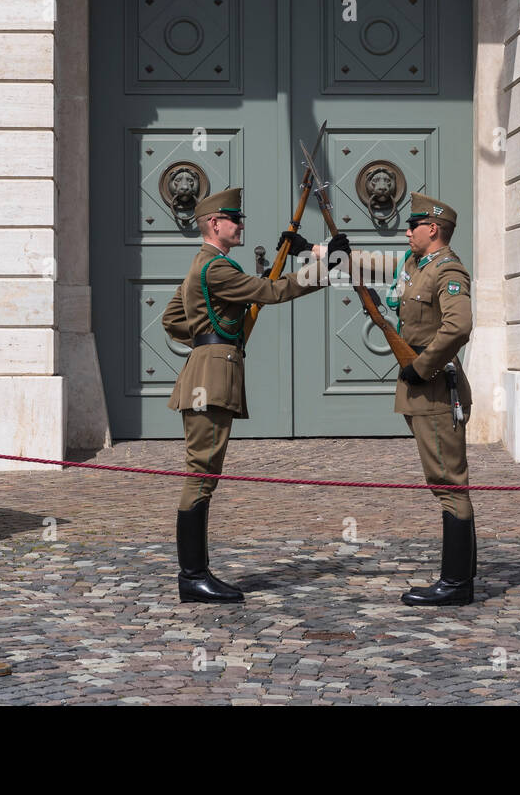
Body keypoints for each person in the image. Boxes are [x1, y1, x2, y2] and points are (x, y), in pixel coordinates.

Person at [162, 187, 348, 603]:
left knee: (202, 473)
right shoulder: (216, 268)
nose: (241, 224)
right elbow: (272, 292)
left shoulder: (203, 266)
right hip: (212, 377)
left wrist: (210, 331)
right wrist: (326, 263)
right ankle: (193, 576)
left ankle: (194, 574)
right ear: (214, 224)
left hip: (204, 368)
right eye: (235, 219)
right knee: (201, 474)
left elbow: (173, 319)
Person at [314, 192, 475, 606]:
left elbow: (458, 327)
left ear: (432, 229)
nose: (405, 232)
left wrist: (422, 367)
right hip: (419, 388)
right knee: (443, 482)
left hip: (436, 387)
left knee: (449, 484)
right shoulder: (413, 263)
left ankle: (456, 584)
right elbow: (374, 263)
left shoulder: (448, 270)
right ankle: (461, 574)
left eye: (412, 226)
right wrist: (319, 251)